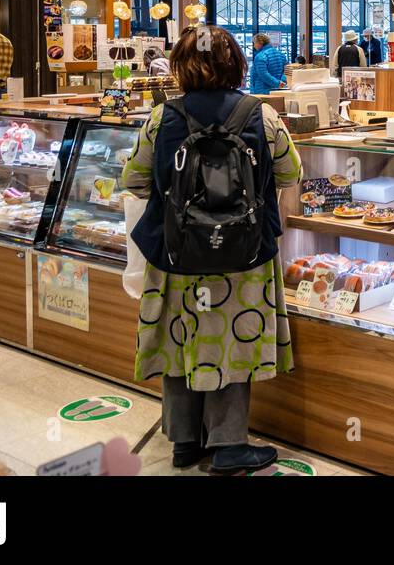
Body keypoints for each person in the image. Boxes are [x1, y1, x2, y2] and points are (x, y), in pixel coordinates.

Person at [121, 25, 301, 474]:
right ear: (237, 64)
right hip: (244, 253)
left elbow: (134, 180)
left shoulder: (162, 118)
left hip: (178, 254)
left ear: (181, 67)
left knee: (183, 337)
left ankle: (185, 441)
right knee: (233, 338)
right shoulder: (260, 114)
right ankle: (229, 445)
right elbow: (290, 173)